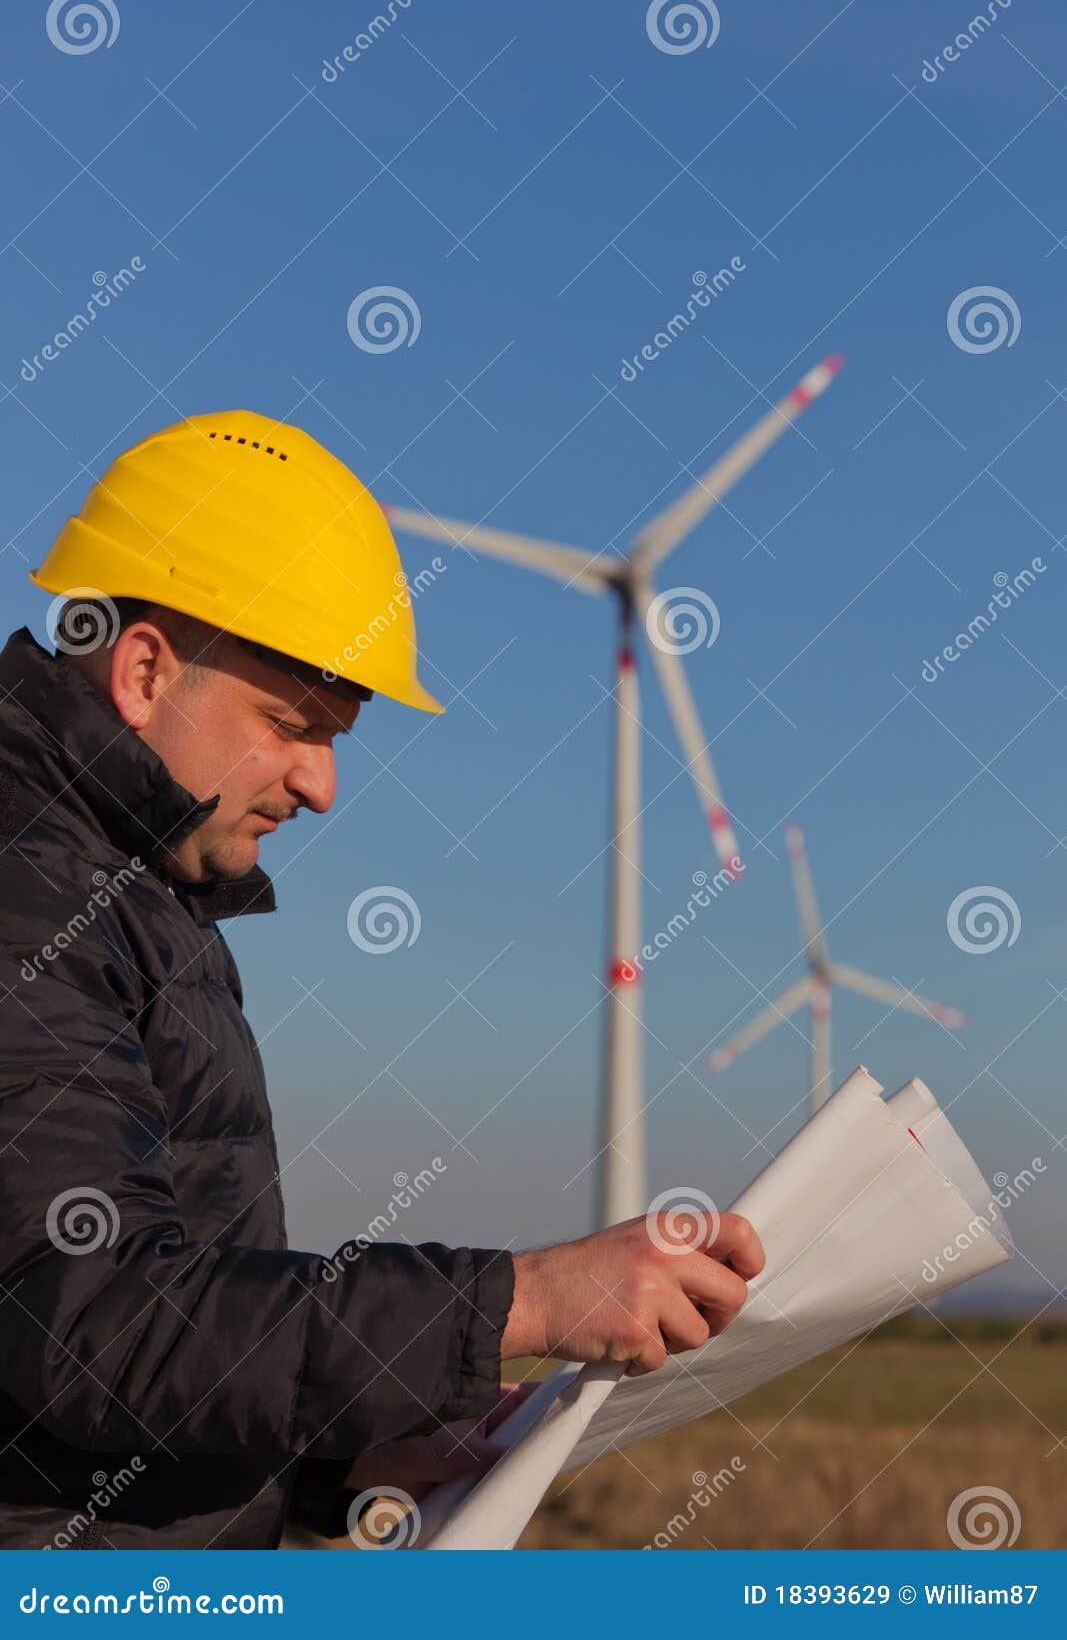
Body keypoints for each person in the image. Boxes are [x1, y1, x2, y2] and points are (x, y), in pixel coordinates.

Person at [0, 410, 764, 1549]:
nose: (321, 785)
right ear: (145, 669)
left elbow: (98, 1389)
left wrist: (326, 1467)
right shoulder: (32, 899)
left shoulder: (139, 901)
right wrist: (527, 1301)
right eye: (288, 724)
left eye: (338, 736)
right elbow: (98, 1324)